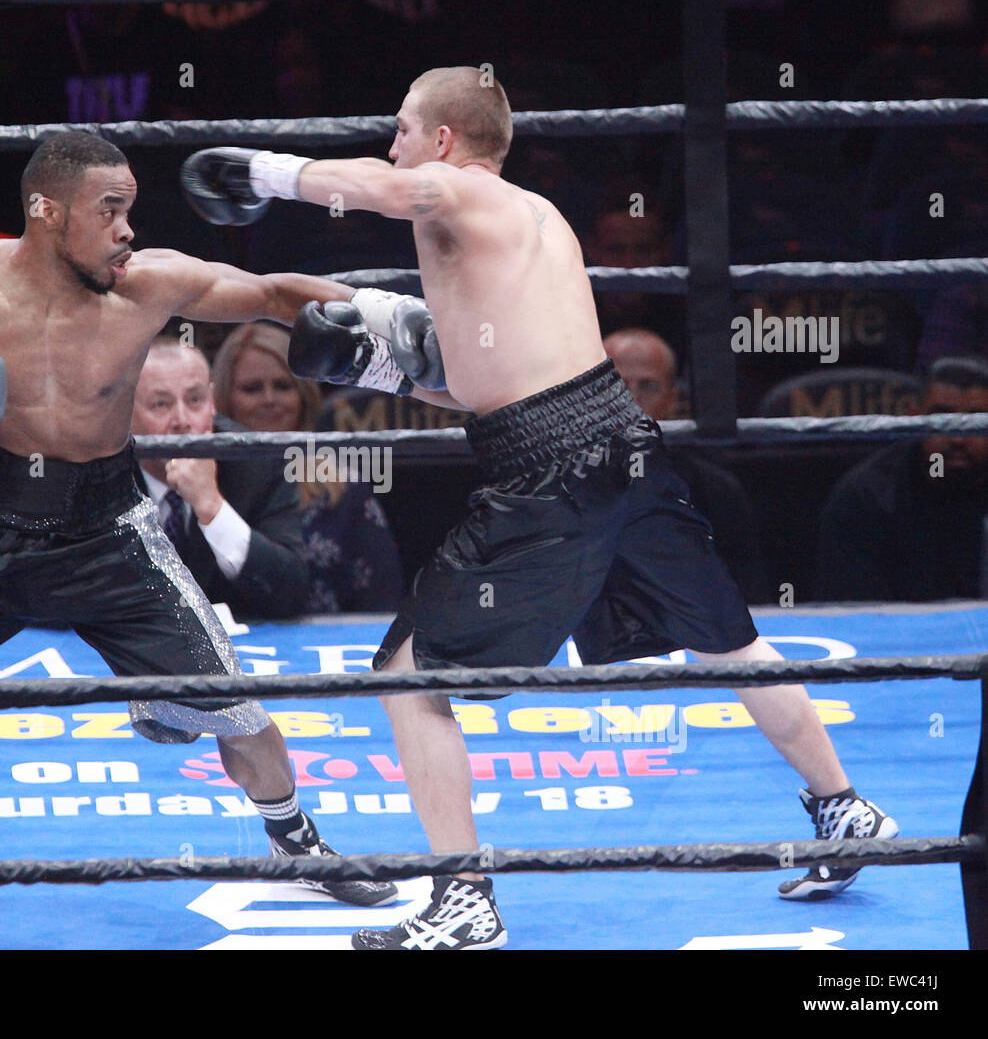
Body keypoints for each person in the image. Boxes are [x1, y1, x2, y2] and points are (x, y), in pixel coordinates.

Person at [184, 66, 899, 949]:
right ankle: (845, 808)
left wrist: (263, 170)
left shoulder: (450, 188)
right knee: (728, 641)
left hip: (551, 468)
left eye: (403, 127)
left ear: (443, 139)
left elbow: (388, 190)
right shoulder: (535, 220)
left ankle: (464, 900)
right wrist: (380, 365)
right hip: (620, 443)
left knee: (407, 676)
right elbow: (485, 383)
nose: (393, 144)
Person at [0, 131, 396, 912]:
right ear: (47, 211)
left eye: (131, 210)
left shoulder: (149, 285)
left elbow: (274, 294)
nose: (127, 230)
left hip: (106, 533)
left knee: (238, 711)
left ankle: (298, 848)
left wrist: (390, 319)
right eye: (110, 210)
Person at [209, 321, 404, 613]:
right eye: (252, 389)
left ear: (304, 395)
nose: (269, 399)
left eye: (283, 386)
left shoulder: (343, 487)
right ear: (223, 398)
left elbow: (382, 602)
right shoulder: (198, 482)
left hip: (325, 650)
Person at [130, 337, 310, 621]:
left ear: (212, 402)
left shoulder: (257, 460)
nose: (182, 420)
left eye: (195, 400)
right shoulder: (97, 469)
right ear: (124, 411)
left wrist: (213, 509)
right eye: (161, 404)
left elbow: (291, 593)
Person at [603, 328, 770, 603]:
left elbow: (751, 604)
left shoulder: (716, 491)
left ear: (672, 399)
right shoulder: (553, 486)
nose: (630, 400)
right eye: (616, 386)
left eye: (648, 386)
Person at [816, 355, 988, 601]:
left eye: (975, 421)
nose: (958, 438)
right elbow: (848, 616)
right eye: (943, 418)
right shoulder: (865, 497)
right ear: (914, 417)